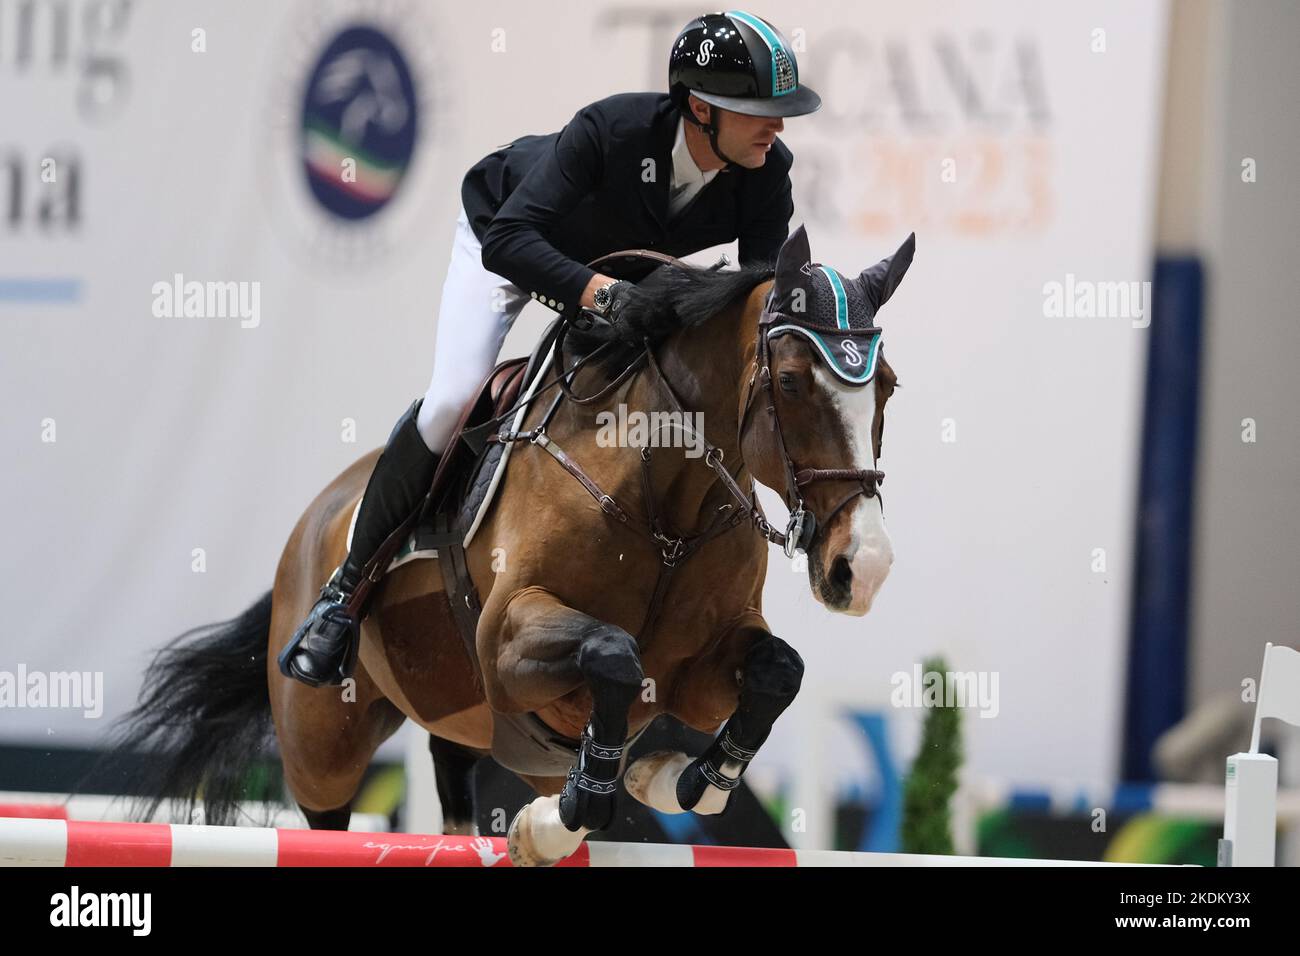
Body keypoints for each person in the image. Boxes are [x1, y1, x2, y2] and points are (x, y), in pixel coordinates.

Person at [279, 10, 822, 687]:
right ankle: (344, 593)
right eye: (759, 111)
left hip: (622, 274)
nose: (778, 126)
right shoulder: (612, 133)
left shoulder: (766, 170)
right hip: (507, 242)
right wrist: (596, 294)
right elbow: (511, 239)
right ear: (701, 108)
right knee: (452, 401)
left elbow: (757, 299)